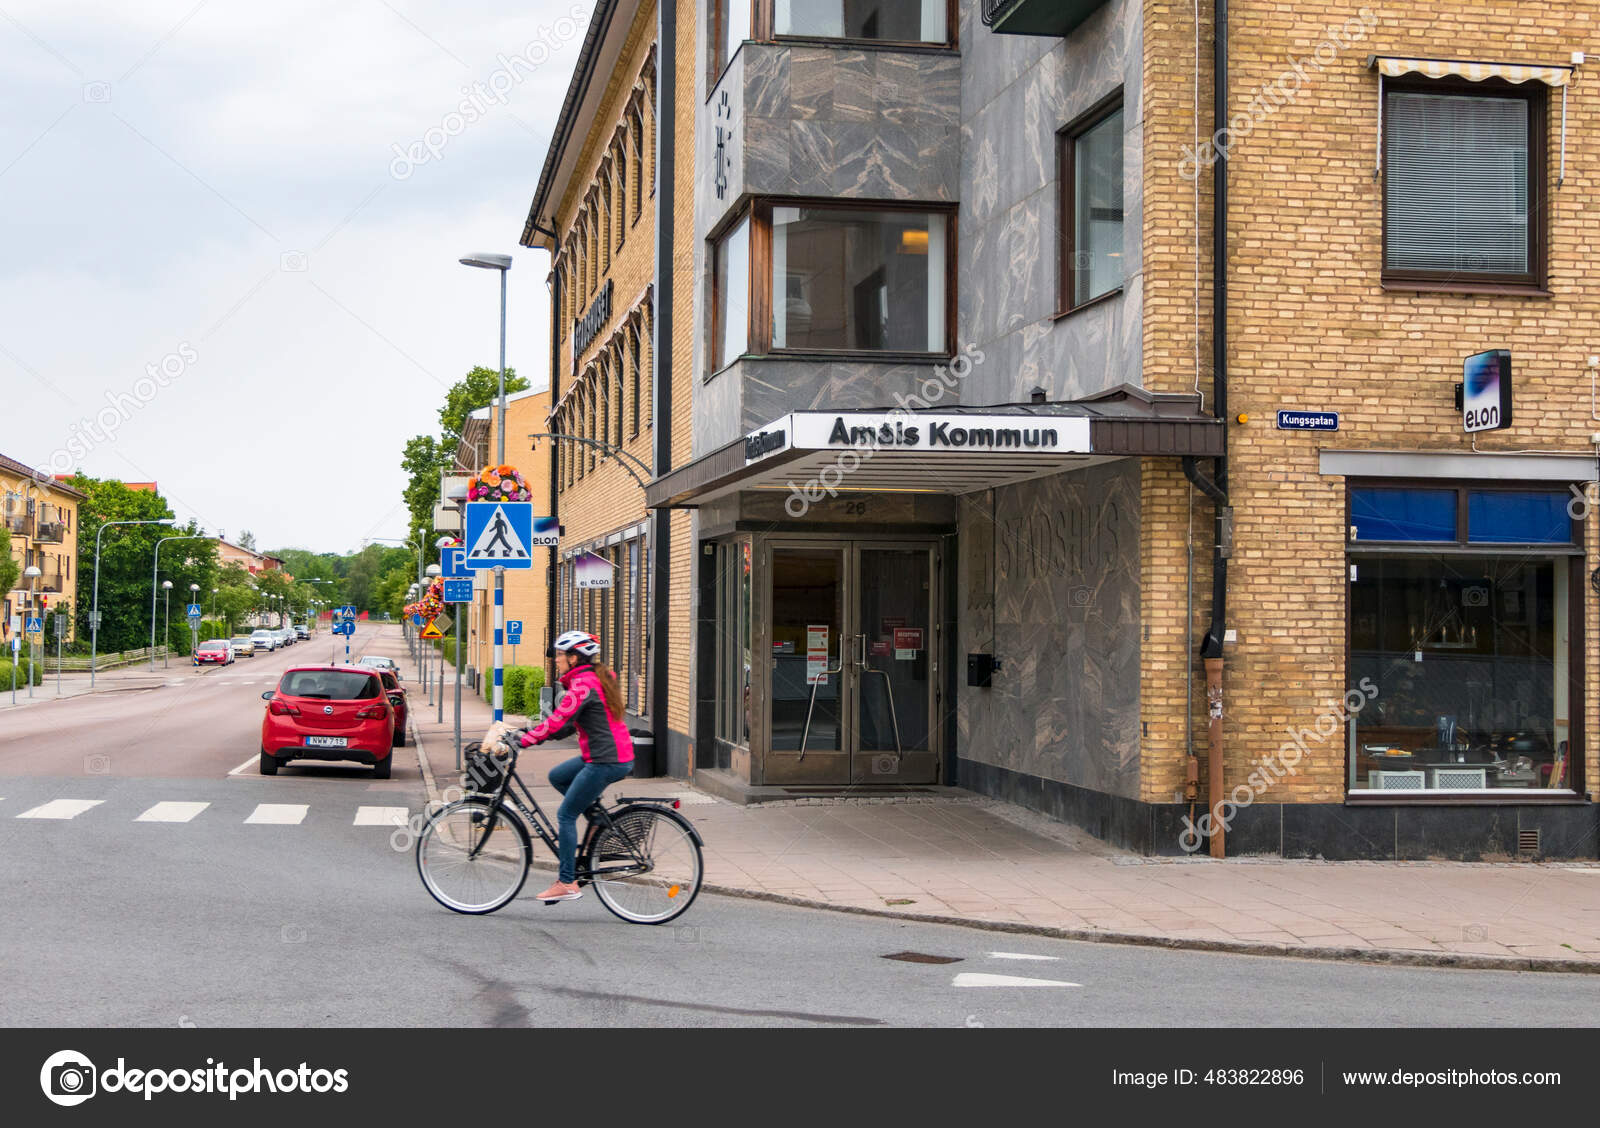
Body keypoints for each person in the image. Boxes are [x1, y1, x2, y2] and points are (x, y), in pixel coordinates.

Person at [505, 630, 634, 902]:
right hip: (607, 755)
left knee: (565, 815)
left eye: (561, 655)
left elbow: (558, 721)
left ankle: (566, 882)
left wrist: (525, 739)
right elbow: (565, 726)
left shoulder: (583, 685)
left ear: (575, 658)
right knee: (558, 776)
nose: (557, 660)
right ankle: (598, 820)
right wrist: (534, 734)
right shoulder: (593, 678)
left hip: (605, 759)